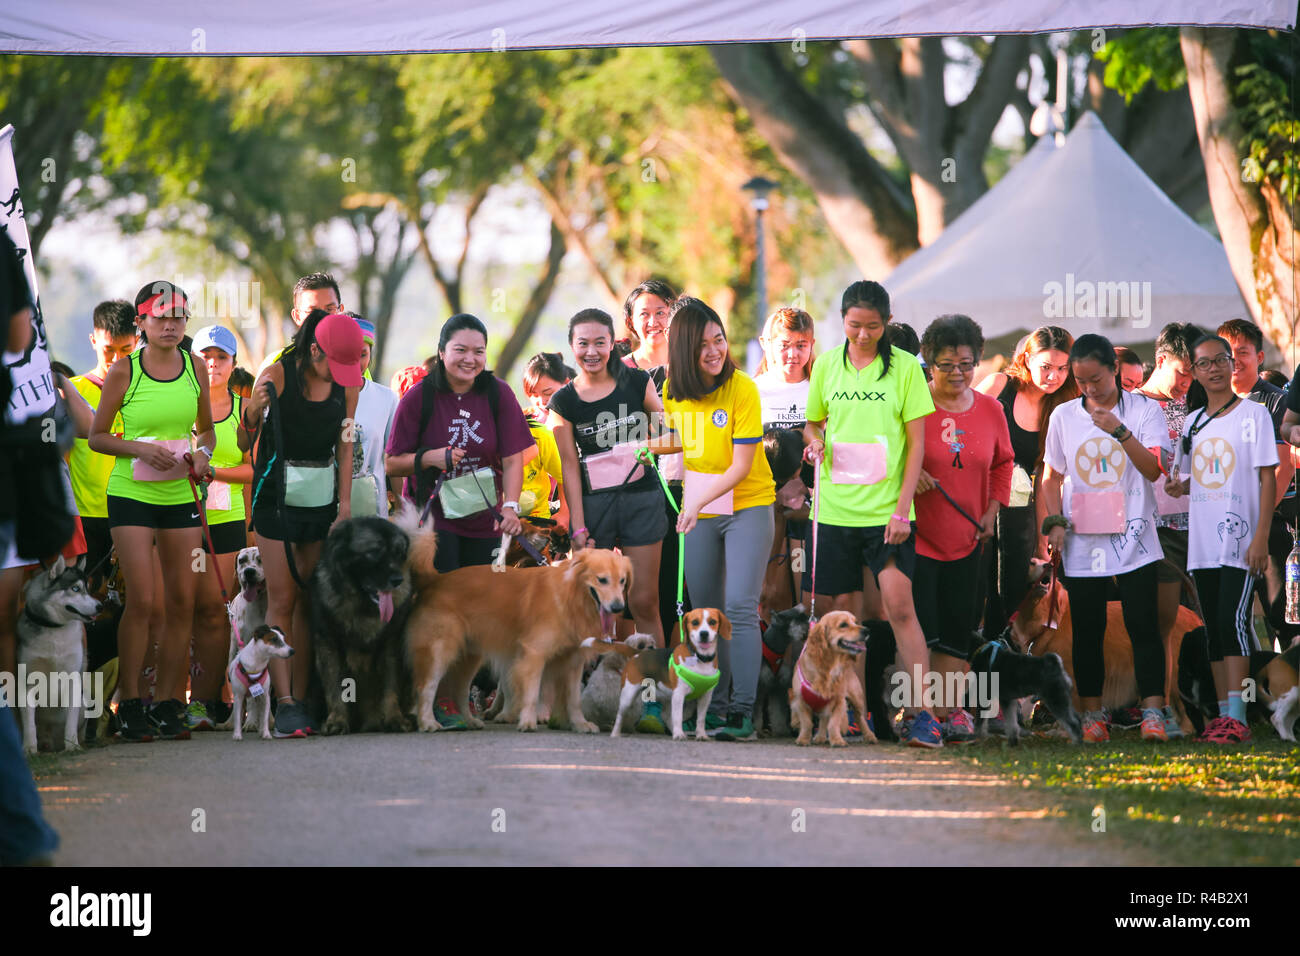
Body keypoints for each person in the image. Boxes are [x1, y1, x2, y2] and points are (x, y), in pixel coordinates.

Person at [803, 281, 938, 746]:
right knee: (846, 618)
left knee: (900, 609)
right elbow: (812, 422)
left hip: (888, 515)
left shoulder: (904, 369)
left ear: (887, 323)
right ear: (842, 321)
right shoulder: (824, 365)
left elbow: (918, 443)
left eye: (873, 327)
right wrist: (814, 441)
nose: (863, 335)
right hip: (835, 512)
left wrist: (903, 510)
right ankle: (852, 716)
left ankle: (923, 715)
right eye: (854, 326)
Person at [385, 314, 532, 730]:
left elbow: (513, 457)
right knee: (439, 617)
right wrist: (432, 457)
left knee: (479, 619)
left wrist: (511, 508)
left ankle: (457, 699)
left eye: (478, 352)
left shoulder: (498, 393)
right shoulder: (419, 398)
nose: (470, 360)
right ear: (442, 351)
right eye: (461, 351)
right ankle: (427, 702)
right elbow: (392, 460)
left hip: (485, 523)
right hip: (437, 527)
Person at [89, 281, 216, 742]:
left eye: (180, 316)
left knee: (182, 601)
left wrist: (203, 457)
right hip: (131, 495)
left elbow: (206, 432)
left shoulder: (196, 366)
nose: (171, 324)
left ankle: (167, 702)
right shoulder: (125, 371)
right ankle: (130, 703)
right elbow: (98, 436)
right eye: (161, 316)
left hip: (180, 493)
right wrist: (140, 447)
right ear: (141, 321)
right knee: (144, 600)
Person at [1040, 333, 1172, 743]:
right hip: (1082, 537)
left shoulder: (1144, 409)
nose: (1089, 388)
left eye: (1096, 379)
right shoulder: (1063, 416)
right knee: (1088, 627)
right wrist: (1055, 521)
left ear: (1114, 370)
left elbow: (1154, 470)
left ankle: (1153, 713)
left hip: (1134, 534)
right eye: (1080, 381)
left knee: (1142, 624)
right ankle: (1093, 714)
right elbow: (1051, 475)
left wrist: (1119, 430)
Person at [244, 310, 362, 738]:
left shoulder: (346, 384)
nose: (345, 374)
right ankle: (285, 702)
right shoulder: (277, 373)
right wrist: (252, 410)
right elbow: (244, 440)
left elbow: (346, 443)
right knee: (283, 596)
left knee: (313, 595)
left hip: (319, 498)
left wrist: (345, 504)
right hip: (275, 499)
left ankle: (308, 694)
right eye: (336, 363)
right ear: (315, 350)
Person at [661, 296, 774, 741]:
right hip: (700, 512)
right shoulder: (672, 391)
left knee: (740, 609)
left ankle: (742, 711)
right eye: (703, 344)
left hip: (747, 505)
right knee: (704, 609)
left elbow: (740, 467)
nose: (715, 350)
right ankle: (715, 707)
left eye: (719, 339)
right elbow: (680, 456)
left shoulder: (743, 388)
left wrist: (693, 502)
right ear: (683, 350)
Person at [1165, 334, 1275, 743]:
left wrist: (1261, 537)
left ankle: (1239, 716)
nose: (1213, 369)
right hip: (1203, 544)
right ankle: (1221, 715)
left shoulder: (1254, 416)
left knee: (1234, 622)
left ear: (1234, 364)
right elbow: (1200, 477)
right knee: (1214, 627)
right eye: (1204, 364)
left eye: (1220, 360)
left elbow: (1265, 477)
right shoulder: (1193, 422)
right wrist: (1182, 487)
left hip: (1243, 540)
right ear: (1194, 371)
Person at [913, 314, 1013, 744]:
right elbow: (891, 454)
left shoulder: (991, 409)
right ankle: (922, 712)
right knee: (923, 627)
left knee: (957, 628)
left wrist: (993, 510)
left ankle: (951, 711)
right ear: (928, 363)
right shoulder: (912, 403)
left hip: (970, 537)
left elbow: (1004, 463)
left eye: (966, 364)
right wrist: (909, 471)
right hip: (917, 538)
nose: (957, 373)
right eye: (946, 364)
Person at [549, 309, 666, 655]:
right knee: (598, 607)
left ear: (612, 344)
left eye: (600, 343)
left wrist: (649, 441)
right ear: (572, 346)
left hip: (643, 500)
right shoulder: (563, 402)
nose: (592, 352)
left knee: (643, 601)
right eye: (583, 343)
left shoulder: (637, 381)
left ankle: (651, 692)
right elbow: (569, 467)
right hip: (595, 507)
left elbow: (667, 432)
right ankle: (601, 692)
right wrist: (578, 529)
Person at [975, 326, 1077, 636]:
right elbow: (962, 434)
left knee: (1009, 598)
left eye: (1062, 368)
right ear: (1026, 359)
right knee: (972, 591)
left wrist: (1042, 539)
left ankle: (1001, 668)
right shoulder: (998, 385)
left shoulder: (1062, 406)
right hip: (977, 503)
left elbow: (1047, 478)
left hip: (1020, 514)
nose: (1054, 376)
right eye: (1046, 366)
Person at [182, 324, 252, 731]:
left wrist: (215, 472)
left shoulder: (243, 412)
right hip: (178, 518)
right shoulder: (180, 403)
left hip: (225, 522)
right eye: (205, 357)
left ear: (233, 363)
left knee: (212, 611)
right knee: (177, 608)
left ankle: (205, 702)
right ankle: (170, 700)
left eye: (221, 358)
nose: (212, 365)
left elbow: (253, 469)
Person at [1218, 318, 1297, 650]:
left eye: (1243, 352)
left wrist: (1260, 523)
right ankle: (1250, 697)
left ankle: (1291, 694)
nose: (1235, 360)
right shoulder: (1212, 404)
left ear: (1260, 357)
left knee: (1283, 617)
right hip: (1228, 529)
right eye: (1227, 352)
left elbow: (1283, 468)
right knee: (1233, 619)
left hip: (1274, 528)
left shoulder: (1277, 401)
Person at [622, 279, 689, 644]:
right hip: (640, 493)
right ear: (631, 322)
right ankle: (644, 683)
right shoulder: (620, 372)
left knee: (686, 592)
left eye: (661, 312)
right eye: (643, 314)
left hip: (690, 489)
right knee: (644, 596)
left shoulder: (694, 365)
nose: (653, 321)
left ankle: (685, 679)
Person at [1136, 322, 1203, 683]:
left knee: (1206, 620)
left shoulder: (1199, 403)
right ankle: (1160, 699)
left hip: (1203, 526)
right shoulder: (1133, 405)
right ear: (1162, 359)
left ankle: (1205, 698)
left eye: (1195, 373)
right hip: (1156, 530)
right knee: (1163, 623)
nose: (1188, 382)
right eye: (1183, 372)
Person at [753, 307, 819, 618]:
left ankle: (800, 654)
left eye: (801, 345)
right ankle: (769, 654)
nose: (792, 354)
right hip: (766, 503)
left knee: (805, 587)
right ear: (766, 344)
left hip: (810, 503)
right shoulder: (754, 390)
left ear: (812, 345)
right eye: (784, 344)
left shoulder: (821, 387)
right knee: (771, 590)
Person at [348, 314, 400, 517]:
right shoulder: (320, 396)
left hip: (373, 511)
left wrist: (401, 507)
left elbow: (393, 459)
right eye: (347, 353)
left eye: (362, 354)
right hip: (326, 509)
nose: (355, 361)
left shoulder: (386, 399)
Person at [520, 352, 572, 524]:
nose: (541, 401)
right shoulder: (528, 425)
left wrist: (565, 510)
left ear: (566, 383)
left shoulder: (579, 417)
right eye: (533, 394)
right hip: (535, 508)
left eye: (547, 392)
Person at [257, 272, 343, 375]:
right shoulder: (274, 364)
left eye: (329, 309)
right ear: (296, 316)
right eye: (312, 312)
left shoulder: (355, 360)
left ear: (340, 311)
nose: (321, 317)